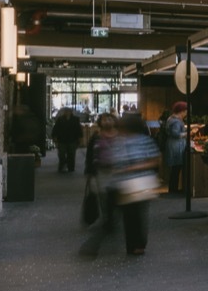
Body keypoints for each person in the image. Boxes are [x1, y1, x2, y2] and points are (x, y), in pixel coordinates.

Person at [80, 114, 161, 257]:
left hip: (128, 183)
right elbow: (154, 160)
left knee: (132, 215)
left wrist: (130, 168)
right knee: (136, 215)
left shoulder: (129, 141)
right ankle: (136, 245)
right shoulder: (139, 141)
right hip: (132, 184)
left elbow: (154, 160)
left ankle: (134, 245)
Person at [162, 102, 191, 194]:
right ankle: (173, 190)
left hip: (173, 145)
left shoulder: (172, 118)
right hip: (176, 146)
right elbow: (176, 134)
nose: (186, 113)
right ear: (181, 111)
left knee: (175, 169)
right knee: (176, 169)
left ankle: (173, 188)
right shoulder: (176, 121)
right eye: (186, 111)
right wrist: (189, 133)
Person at [50, 108, 83, 173]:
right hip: (62, 140)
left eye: (69, 111)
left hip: (72, 139)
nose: (67, 113)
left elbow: (79, 129)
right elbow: (56, 129)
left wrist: (80, 138)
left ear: (71, 112)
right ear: (64, 112)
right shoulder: (60, 119)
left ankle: (71, 167)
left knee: (71, 154)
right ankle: (62, 165)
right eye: (66, 111)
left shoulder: (75, 119)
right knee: (61, 154)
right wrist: (55, 138)